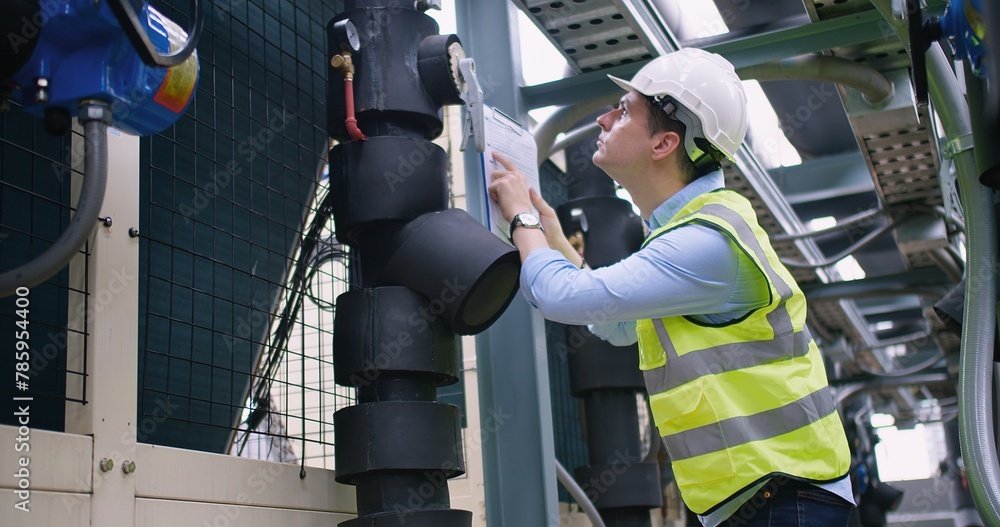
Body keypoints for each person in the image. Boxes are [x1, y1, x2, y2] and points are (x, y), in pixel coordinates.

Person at [488, 48, 855, 527]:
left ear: (662, 144)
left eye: (623, 112)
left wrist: (522, 219)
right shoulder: (688, 233)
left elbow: (560, 298)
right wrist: (554, 239)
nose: (603, 118)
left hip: (784, 497)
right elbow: (620, 327)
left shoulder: (705, 242)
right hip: (765, 497)